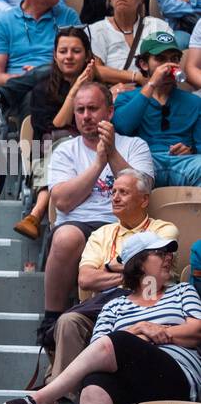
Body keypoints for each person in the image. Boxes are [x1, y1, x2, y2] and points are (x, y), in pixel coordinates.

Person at [7, 233, 201, 404]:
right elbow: (98, 353)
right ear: (139, 263)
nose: (169, 257)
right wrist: (138, 330)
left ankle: (43, 397)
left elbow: (196, 331)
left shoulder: (182, 291)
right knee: (94, 386)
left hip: (177, 377)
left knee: (119, 341)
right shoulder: (113, 306)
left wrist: (156, 332)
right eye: (160, 253)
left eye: (169, 253)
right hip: (130, 380)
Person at [49, 169, 177, 404]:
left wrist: (107, 267)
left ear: (144, 200)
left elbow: (156, 274)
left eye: (123, 192)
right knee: (68, 321)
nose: (115, 197)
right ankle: (60, 400)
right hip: (102, 305)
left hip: (151, 303)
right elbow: (85, 279)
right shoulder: (101, 233)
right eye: (113, 191)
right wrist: (134, 272)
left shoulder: (164, 229)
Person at [41, 81, 154, 340]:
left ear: (110, 112)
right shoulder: (65, 150)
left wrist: (111, 152)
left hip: (127, 224)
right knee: (65, 237)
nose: (86, 116)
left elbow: (142, 191)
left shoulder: (135, 146)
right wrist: (97, 164)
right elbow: (63, 202)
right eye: (79, 110)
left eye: (93, 108)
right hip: (79, 224)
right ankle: (51, 322)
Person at [13, 26, 96, 240]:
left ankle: (35, 214)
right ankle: (39, 212)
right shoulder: (41, 90)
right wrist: (76, 89)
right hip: (49, 151)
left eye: (76, 51)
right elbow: (57, 124)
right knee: (62, 147)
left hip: (90, 154)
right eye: (63, 51)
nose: (69, 57)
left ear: (87, 55)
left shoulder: (98, 89)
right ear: (55, 55)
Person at [0, 0, 81, 115]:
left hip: (63, 84)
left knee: (44, 79)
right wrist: (31, 78)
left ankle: (1, 99)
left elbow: (82, 61)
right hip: (21, 95)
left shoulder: (69, 17)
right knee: (34, 94)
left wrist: (38, 73)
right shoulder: (4, 22)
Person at [115, 30, 201, 186]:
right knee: (126, 171)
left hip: (184, 163)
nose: (168, 66)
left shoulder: (195, 102)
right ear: (143, 64)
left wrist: (190, 150)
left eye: (174, 59)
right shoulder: (127, 98)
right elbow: (122, 128)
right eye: (160, 59)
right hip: (144, 162)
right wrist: (151, 85)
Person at [87, 0, 169, 92]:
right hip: (116, 98)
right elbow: (96, 69)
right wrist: (136, 77)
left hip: (155, 94)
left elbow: (168, 64)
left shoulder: (158, 26)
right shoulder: (96, 30)